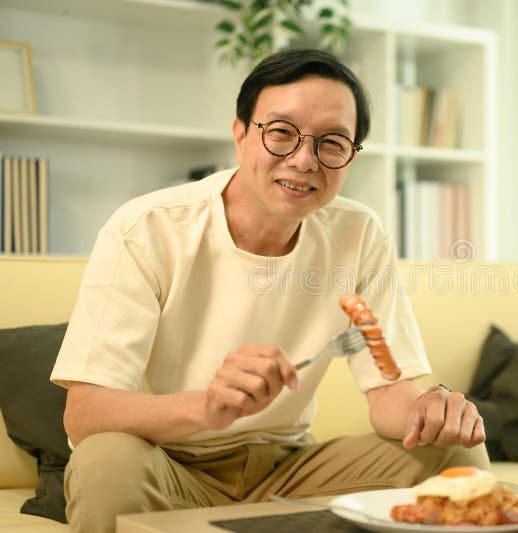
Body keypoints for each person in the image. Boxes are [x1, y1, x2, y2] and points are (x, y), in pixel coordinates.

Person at [50, 48, 488, 532]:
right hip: (167, 462)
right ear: (239, 135)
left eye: (332, 142)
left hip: (290, 469)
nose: (304, 160)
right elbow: (85, 413)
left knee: (451, 450)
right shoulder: (147, 229)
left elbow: (389, 391)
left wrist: (428, 410)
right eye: (281, 133)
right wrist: (205, 407)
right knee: (104, 460)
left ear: (351, 156)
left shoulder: (359, 234)